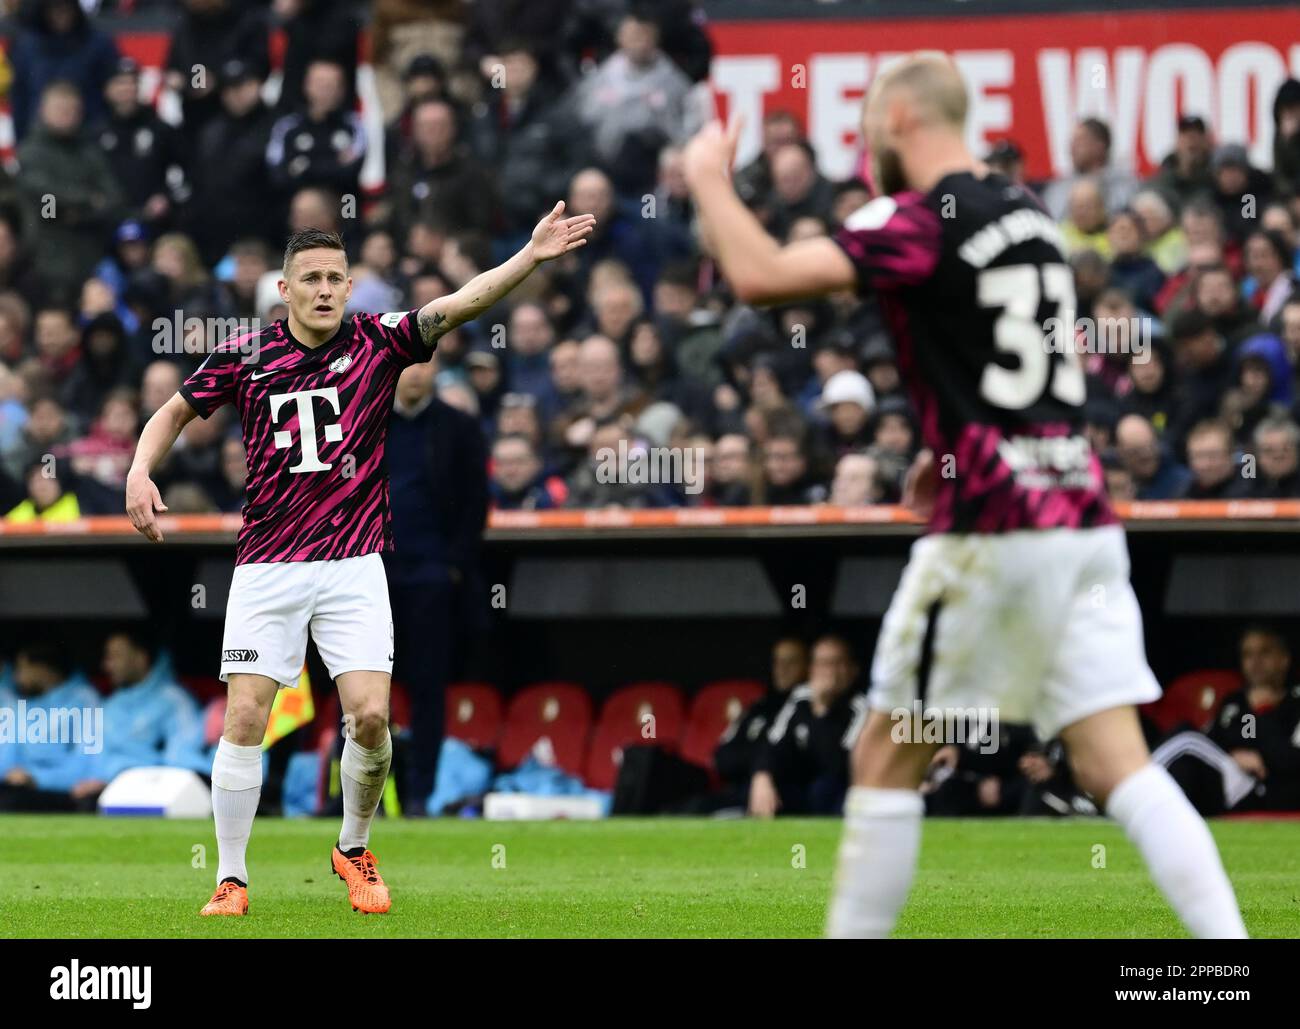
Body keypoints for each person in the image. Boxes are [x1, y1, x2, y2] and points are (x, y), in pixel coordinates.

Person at [684, 51, 1246, 938]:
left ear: (903, 116)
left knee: (883, 756)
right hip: (1081, 523)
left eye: (871, 118)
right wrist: (946, 447)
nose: (867, 138)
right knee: (1118, 763)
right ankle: (1230, 961)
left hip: (995, 533)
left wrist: (707, 179)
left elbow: (758, 276)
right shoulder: (1031, 218)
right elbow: (1015, 373)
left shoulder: (920, 220)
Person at [125, 203, 595, 917]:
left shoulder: (380, 342)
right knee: (246, 715)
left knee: (371, 718)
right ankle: (231, 877)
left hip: (353, 562)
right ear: (283, 290)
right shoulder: (247, 353)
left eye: (335, 278)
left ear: (350, 288)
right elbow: (173, 413)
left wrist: (529, 257)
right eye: (309, 277)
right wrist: (138, 470)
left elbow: (459, 304)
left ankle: (352, 847)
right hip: (268, 564)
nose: (323, 288)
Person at [1153, 626, 1300, 814]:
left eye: (1265, 652)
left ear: (1284, 659)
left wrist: (1262, 712)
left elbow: (1290, 758)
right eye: (1248, 654)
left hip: (1268, 790)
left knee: (1186, 738)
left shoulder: (1294, 702)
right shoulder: (1236, 701)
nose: (1255, 662)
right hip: (1229, 779)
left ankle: (1122, 785)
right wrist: (1237, 753)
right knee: (1187, 756)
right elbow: (1214, 741)